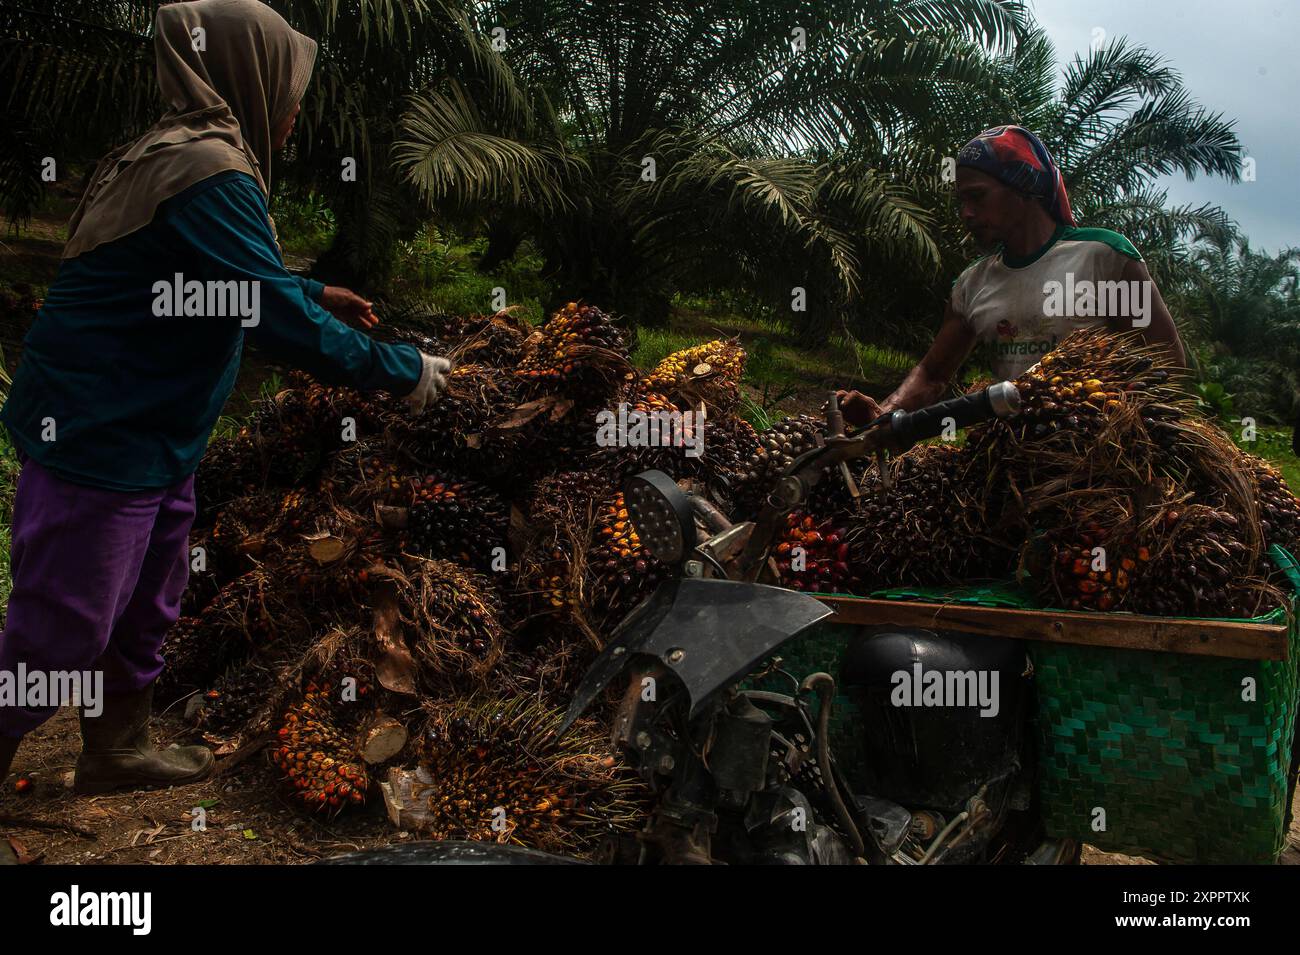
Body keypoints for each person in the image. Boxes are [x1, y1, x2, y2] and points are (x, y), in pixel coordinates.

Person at [0, 0, 450, 862]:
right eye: (288, 88)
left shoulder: (186, 152)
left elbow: (216, 277)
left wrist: (309, 293)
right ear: (247, 72)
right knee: (62, 628)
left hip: (154, 425)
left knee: (150, 595)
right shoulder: (206, 166)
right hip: (101, 430)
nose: (293, 109)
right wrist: (408, 372)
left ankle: (116, 747)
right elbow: (262, 315)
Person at [836, 125, 1186, 426]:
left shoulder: (1105, 257)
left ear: (1022, 187)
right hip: (1015, 454)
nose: (966, 213)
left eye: (977, 196)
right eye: (961, 201)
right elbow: (933, 374)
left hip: (1098, 463)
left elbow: (1167, 369)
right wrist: (884, 413)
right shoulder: (972, 285)